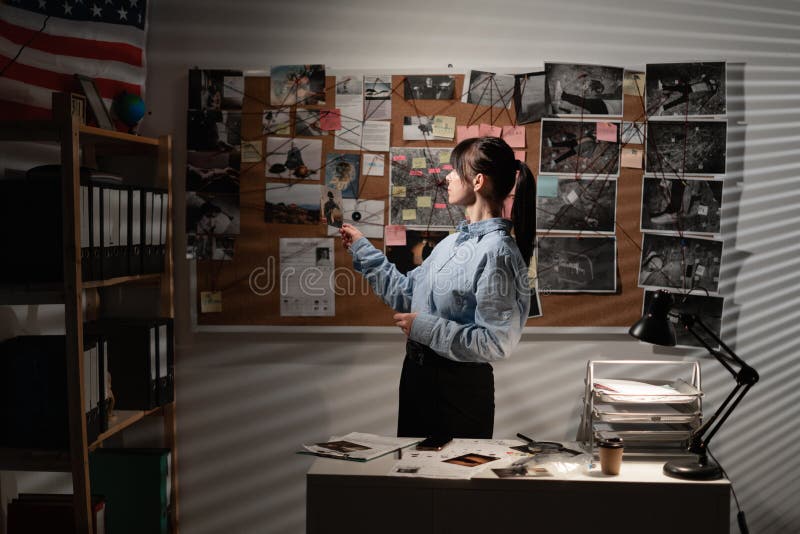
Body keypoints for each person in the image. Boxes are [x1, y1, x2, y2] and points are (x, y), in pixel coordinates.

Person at [339, 136, 536, 439]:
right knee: (411, 480)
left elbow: (497, 343)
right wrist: (364, 251)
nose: (448, 177)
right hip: (417, 380)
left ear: (478, 181)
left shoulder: (497, 252)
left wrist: (426, 328)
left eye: (456, 170)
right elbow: (407, 296)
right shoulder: (451, 243)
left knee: (450, 484)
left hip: (458, 393)